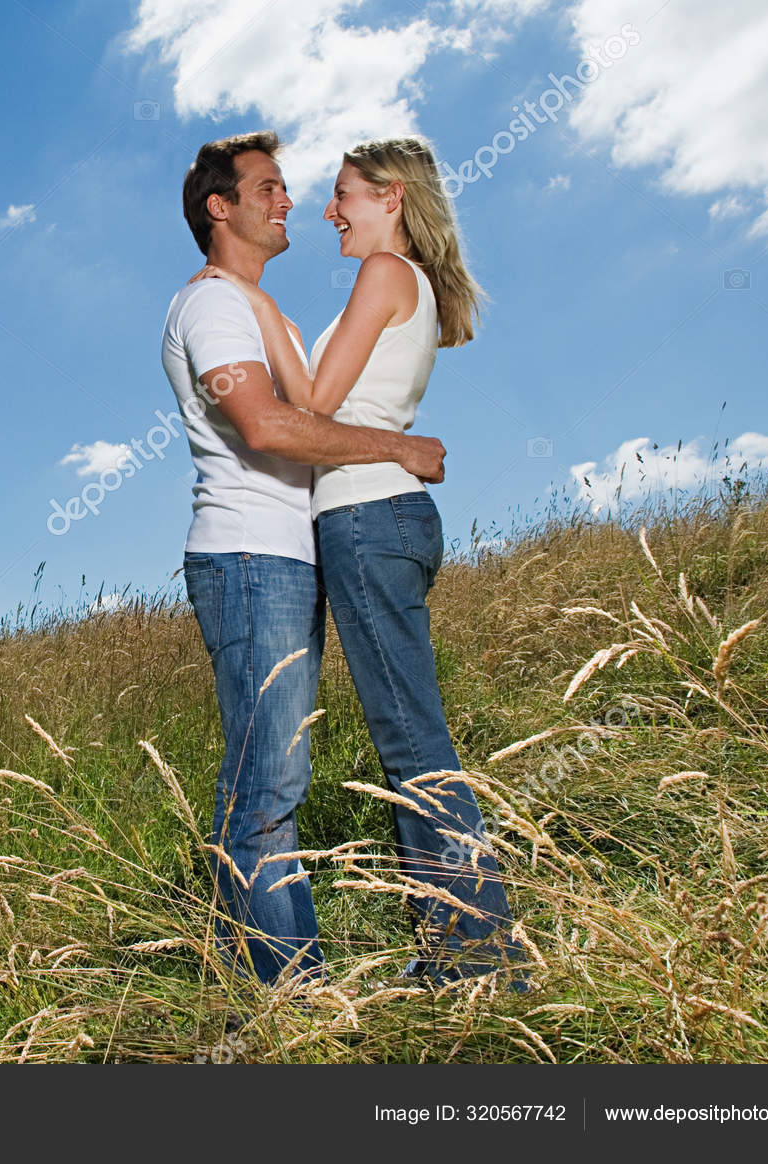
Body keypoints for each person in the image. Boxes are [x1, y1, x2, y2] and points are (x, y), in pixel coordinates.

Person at [191, 135, 525, 988]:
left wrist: (249, 300)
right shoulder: (395, 282)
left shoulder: (383, 275)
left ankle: (478, 957)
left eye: (343, 195)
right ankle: (463, 952)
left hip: (370, 516)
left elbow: (307, 404)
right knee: (409, 738)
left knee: (412, 742)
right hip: (379, 518)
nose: (329, 210)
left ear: (393, 199)